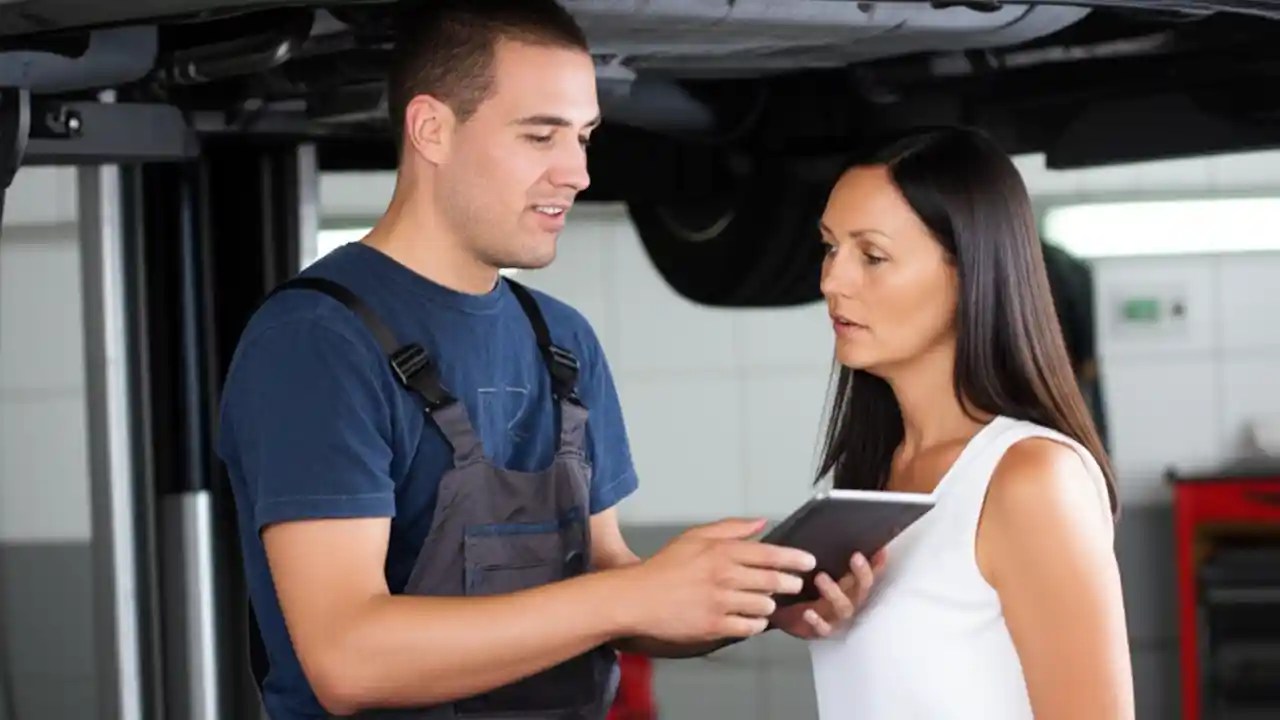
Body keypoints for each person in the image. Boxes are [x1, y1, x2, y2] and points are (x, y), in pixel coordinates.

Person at [215, 1, 877, 718]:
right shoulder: (317, 341)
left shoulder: (560, 340)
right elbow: (349, 659)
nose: (579, 173)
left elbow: (606, 580)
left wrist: (739, 598)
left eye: (584, 138)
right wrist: (633, 593)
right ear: (431, 129)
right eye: (541, 136)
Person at [805, 126, 1135, 719]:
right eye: (830, 248)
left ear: (968, 273)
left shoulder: (1030, 478)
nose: (832, 281)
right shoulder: (872, 476)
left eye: (872, 256)